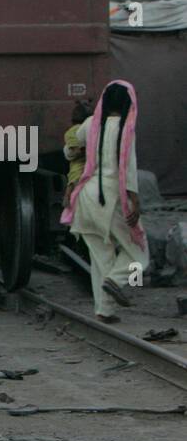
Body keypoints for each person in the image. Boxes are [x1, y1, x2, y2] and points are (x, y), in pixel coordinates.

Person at [62, 80, 148, 323]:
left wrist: (73, 154)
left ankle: (104, 311)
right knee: (139, 254)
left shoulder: (91, 125)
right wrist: (135, 202)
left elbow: (70, 149)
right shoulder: (126, 129)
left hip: (86, 197)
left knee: (102, 257)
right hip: (112, 198)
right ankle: (118, 279)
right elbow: (127, 168)